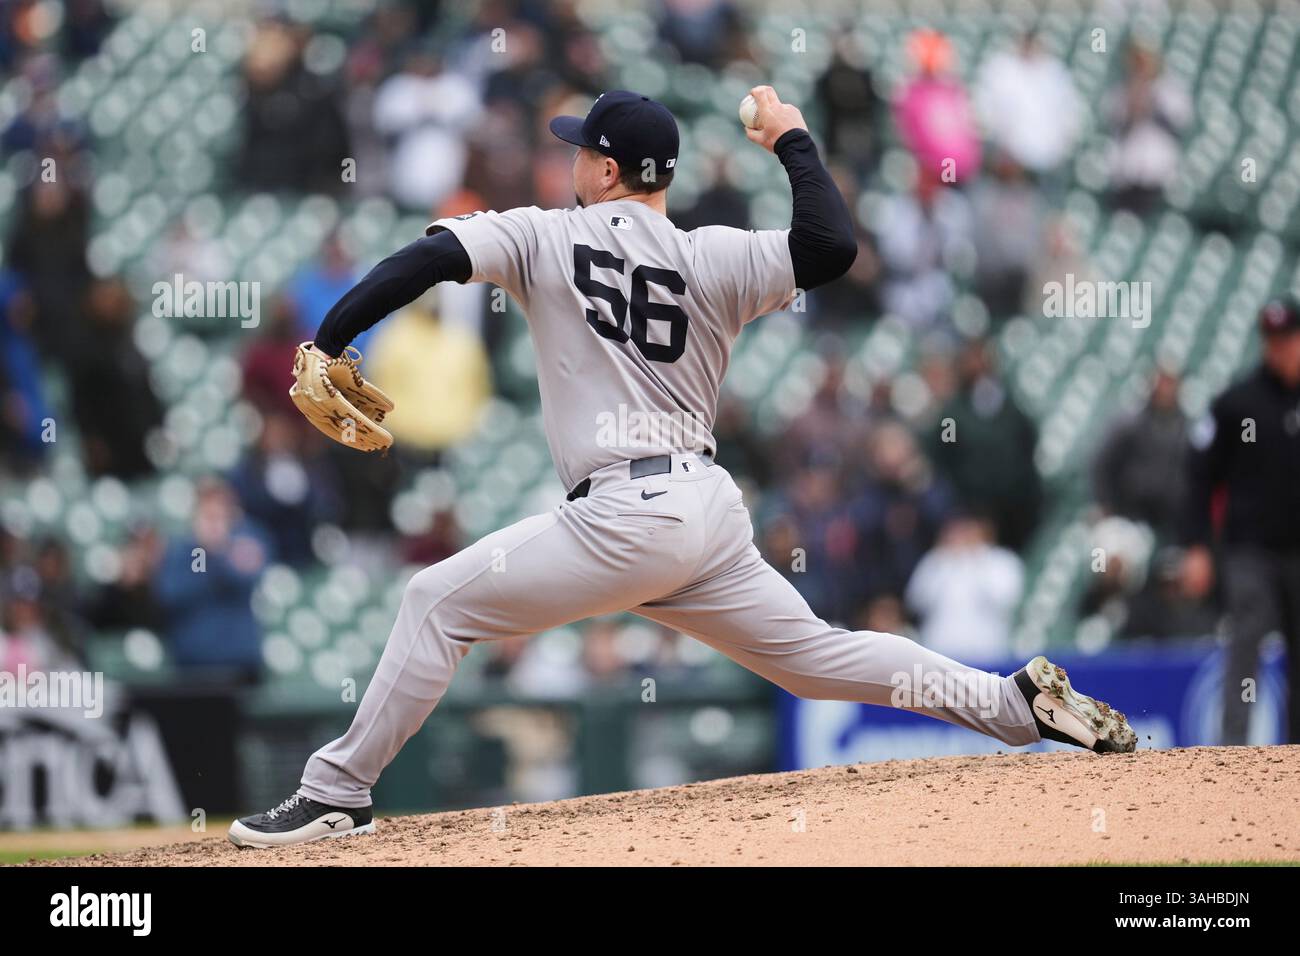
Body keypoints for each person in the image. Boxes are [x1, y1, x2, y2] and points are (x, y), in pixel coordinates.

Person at [229, 87, 1136, 849]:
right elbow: (832, 248)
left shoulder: (546, 234)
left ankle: (337, 790)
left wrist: (334, 333)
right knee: (819, 657)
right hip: (705, 509)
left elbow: (428, 256)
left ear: (610, 170)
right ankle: (1016, 705)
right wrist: (791, 138)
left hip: (625, 513)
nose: (574, 161)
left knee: (434, 602)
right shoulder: (715, 254)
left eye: (584, 151)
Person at [1181, 297, 1300, 744]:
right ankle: (1233, 754)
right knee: (1247, 637)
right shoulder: (1237, 404)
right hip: (1250, 550)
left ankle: (1296, 754)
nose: (1281, 349)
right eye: (1273, 340)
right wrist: (1195, 545)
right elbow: (1198, 474)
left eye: (1288, 339)